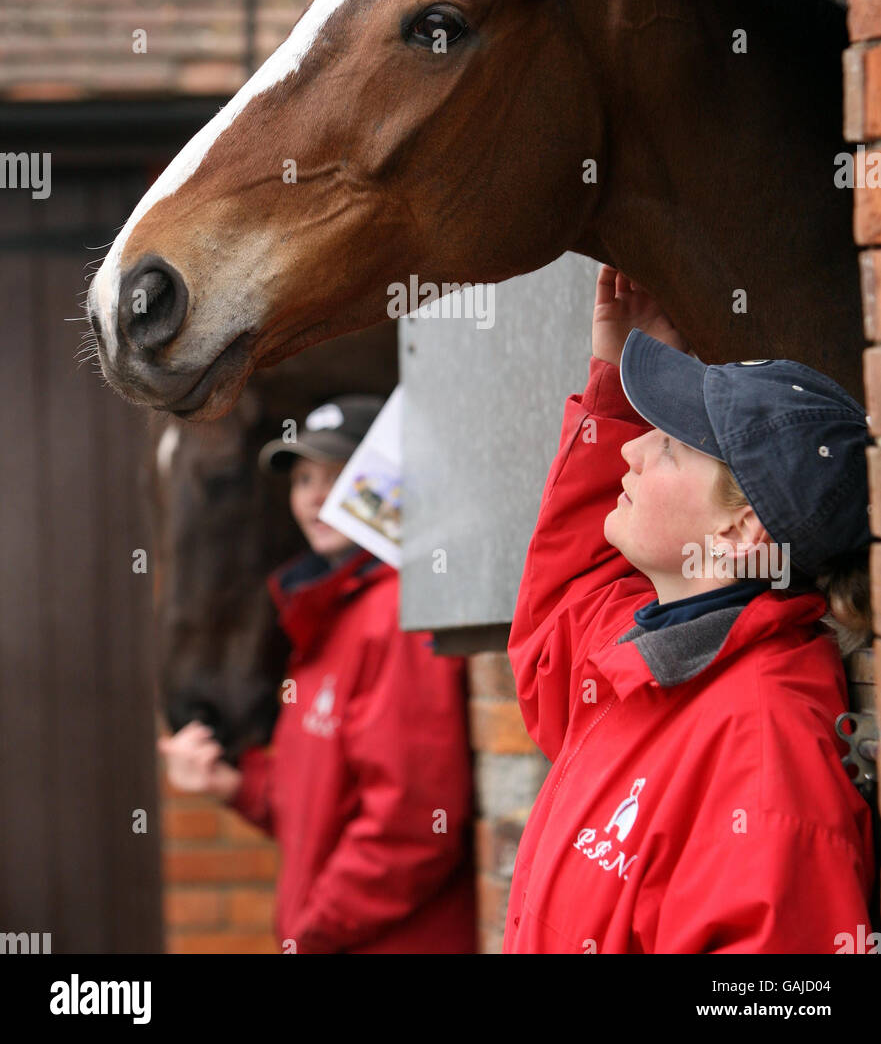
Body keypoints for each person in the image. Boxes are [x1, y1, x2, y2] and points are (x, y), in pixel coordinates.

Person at [504, 265, 877, 954]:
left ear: (740, 534)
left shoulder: (765, 752)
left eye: (669, 446)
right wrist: (613, 387)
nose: (632, 448)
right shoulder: (643, 652)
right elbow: (558, 621)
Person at [158, 394, 476, 954]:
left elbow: (412, 828)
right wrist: (232, 784)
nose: (315, 497)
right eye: (303, 479)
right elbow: (320, 800)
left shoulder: (398, 613)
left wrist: (310, 933)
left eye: (340, 475)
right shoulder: (327, 612)